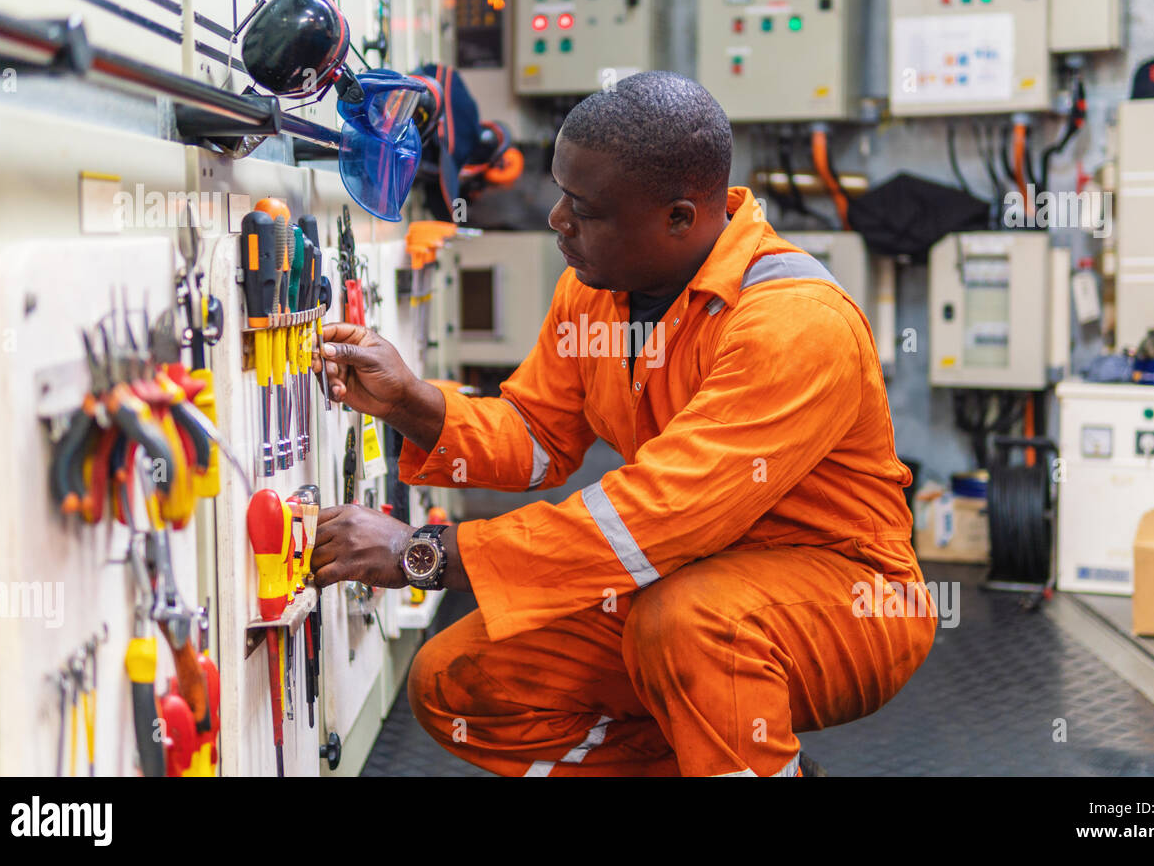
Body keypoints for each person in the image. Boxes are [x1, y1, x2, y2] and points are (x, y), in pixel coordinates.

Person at [310, 71, 937, 777]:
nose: (556, 221)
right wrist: (408, 402)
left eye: (586, 208)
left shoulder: (794, 324)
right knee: (460, 683)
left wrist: (420, 554)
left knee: (694, 623)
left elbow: (653, 519)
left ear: (679, 217)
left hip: (844, 596)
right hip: (679, 579)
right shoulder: (594, 292)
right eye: (561, 195)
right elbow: (537, 436)